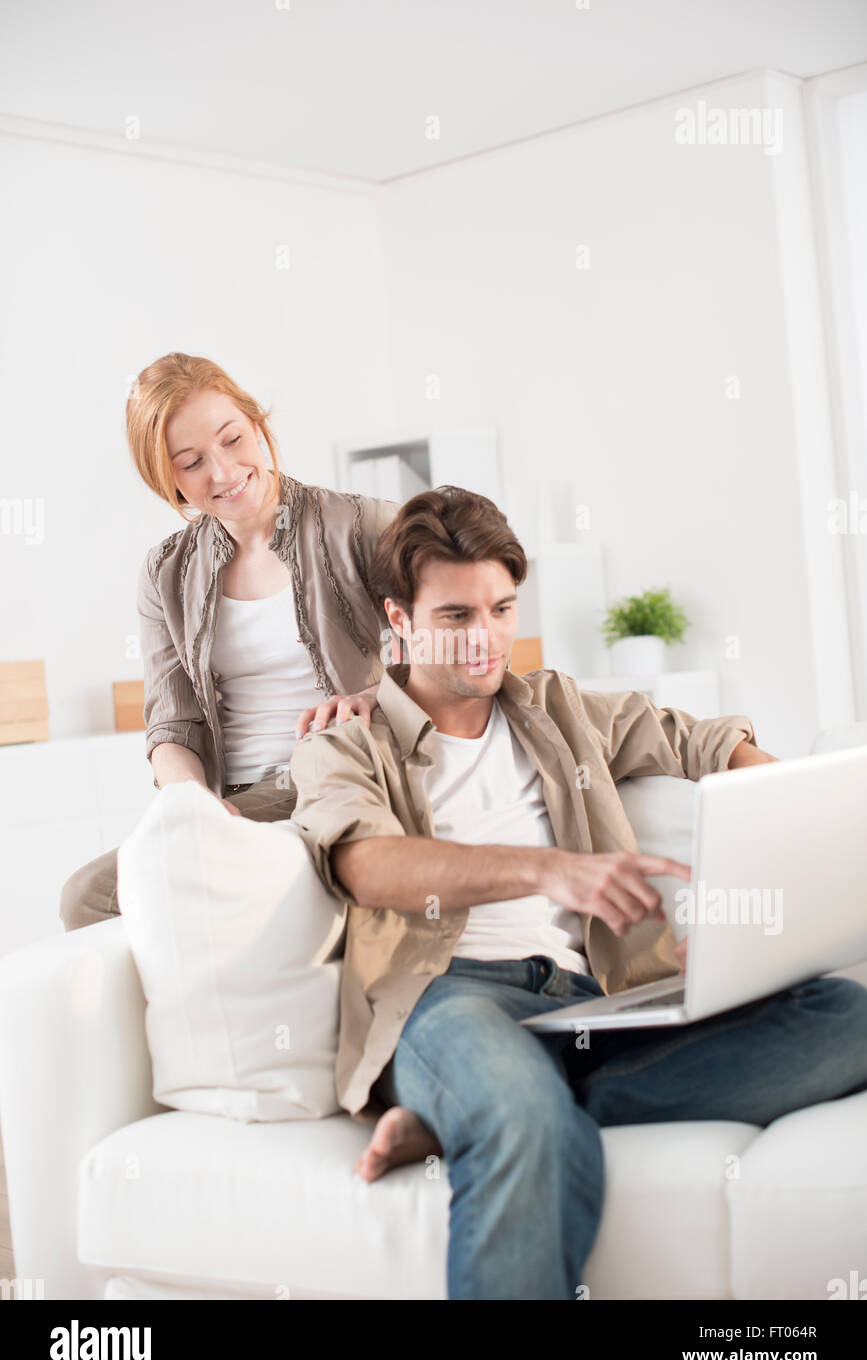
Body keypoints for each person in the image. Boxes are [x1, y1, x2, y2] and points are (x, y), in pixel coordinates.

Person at [287, 483, 867, 1300]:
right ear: (398, 620)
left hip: (591, 1003)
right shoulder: (346, 743)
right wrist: (547, 869)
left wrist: (784, 835)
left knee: (845, 1018)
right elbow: (367, 863)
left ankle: (472, 1113)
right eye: (455, 617)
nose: (485, 640)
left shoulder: (555, 708)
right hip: (445, 1000)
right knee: (522, 1117)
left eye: (500, 609)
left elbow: (697, 740)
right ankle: (496, 1106)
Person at [59, 349, 401, 928]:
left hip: (337, 776)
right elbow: (173, 723)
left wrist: (378, 697)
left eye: (233, 439)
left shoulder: (363, 525)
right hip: (232, 803)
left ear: (258, 425)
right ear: (166, 478)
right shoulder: (166, 573)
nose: (223, 472)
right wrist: (193, 804)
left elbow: (449, 657)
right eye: (191, 461)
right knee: (90, 899)